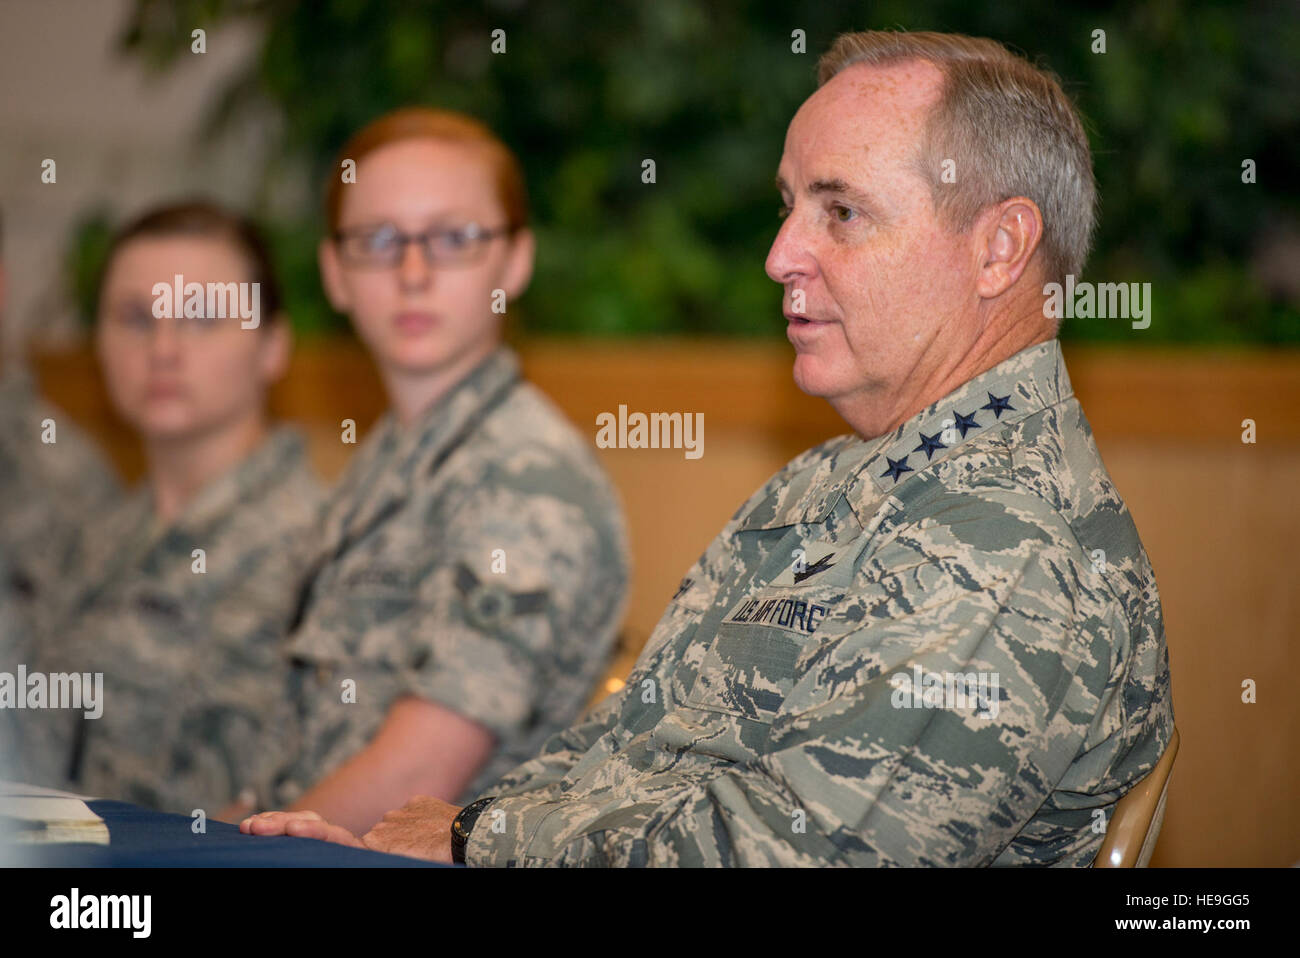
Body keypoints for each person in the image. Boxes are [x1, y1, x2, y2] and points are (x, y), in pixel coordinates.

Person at [246, 30, 1176, 867]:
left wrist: (475, 839)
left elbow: (796, 853)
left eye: (840, 212)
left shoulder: (1012, 547)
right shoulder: (833, 480)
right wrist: (416, 843)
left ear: (1000, 248)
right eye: (789, 204)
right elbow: (621, 748)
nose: (779, 254)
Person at [251, 108, 630, 835]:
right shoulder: (386, 462)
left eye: (453, 239)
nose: (413, 273)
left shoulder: (525, 480)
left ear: (516, 261)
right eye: (378, 240)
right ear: (335, 273)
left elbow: (422, 772)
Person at [19, 200, 324, 817]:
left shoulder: (321, 547)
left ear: (273, 346)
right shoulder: (86, 537)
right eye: (134, 318)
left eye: (201, 317)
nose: (162, 346)